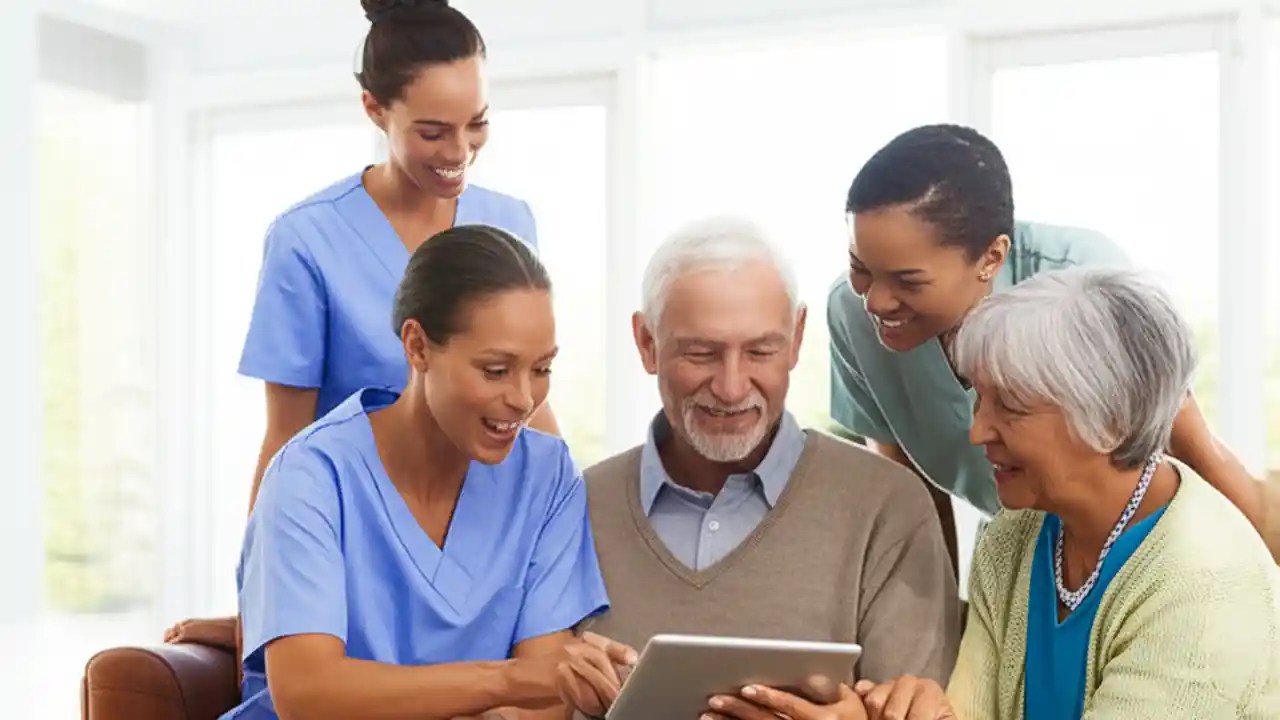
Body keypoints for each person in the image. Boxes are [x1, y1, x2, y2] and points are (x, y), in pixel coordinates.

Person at [166, 0, 558, 648]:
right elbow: (283, 441)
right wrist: (263, 610)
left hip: (481, 548)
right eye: (433, 132)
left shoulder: (511, 222)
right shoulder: (308, 240)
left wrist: (575, 511)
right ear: (376, 109)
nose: (460, 153)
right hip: (355, 548)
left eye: (477, 125)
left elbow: (529, 403)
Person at [557, 218, 962, 720]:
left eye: (760, 351)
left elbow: (915, 708)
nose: (731, 387)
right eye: (701, 353)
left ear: (796, 339)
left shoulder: (887, 507)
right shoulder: (575, 507)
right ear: (646, 343)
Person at [826, 123, 1276, 566]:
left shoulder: (1082, 281)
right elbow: (908, 499)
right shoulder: (850, 313)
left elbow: (1195, 452)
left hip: (1139, 545)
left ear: (992, 258)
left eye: (908, 280)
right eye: (859, 267)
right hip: (1014, 547)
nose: (876, 300)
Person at [220, 225, 621, 720]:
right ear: (417, 347)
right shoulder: (312, 476)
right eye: (496, 370)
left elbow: (545, 701)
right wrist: (505, 680)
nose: (523, 399)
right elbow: (307, 693)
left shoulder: (547, 475)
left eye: (541, 369)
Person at [843, 268, 1280, 720]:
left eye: (1010, 407)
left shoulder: (1204, 586)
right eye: (980, 398)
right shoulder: (1013, 535)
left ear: (1111, 421)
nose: (976, 431)